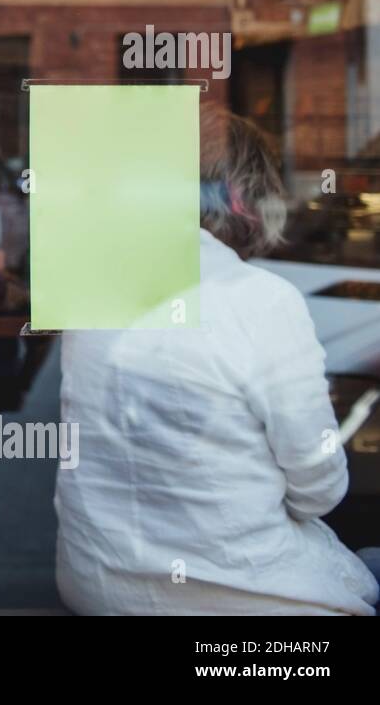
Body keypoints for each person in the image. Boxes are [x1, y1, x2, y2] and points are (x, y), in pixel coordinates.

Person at [56, 108, 380, 615]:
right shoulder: (261, 301)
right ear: (247, 199)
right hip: (243, 603)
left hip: (100, 590)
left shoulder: (94, 293)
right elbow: (319, 488)